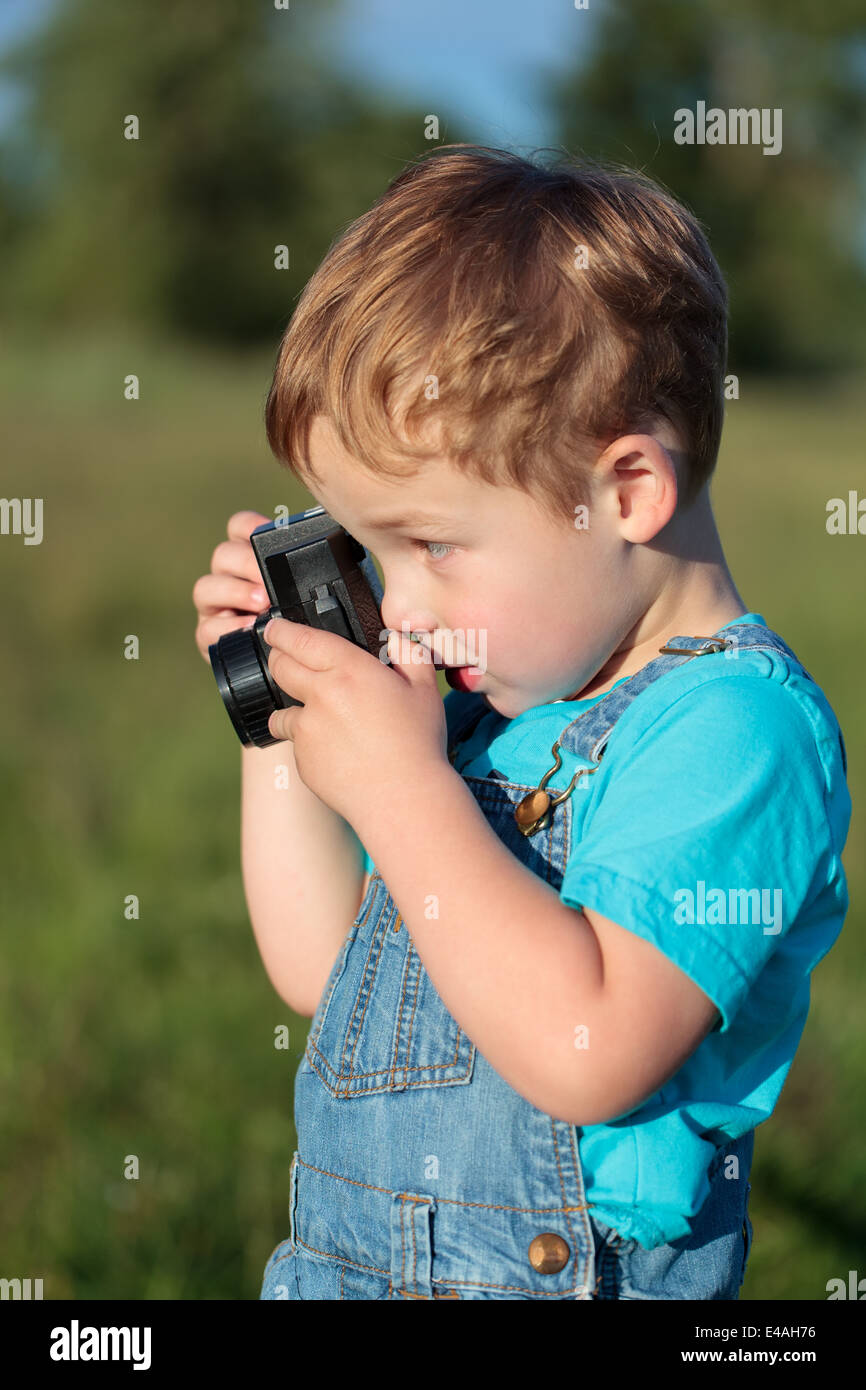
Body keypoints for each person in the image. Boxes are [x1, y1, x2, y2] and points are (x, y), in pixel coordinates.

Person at [192, 145, 850, 1299]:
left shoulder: (732, 735)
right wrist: (289, 719)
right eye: (368, 548)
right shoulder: (484, 707)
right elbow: (322, 969)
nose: (398, 606)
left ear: (629, 491)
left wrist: (404, 790)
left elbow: (585, 1049)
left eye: (432, 544)